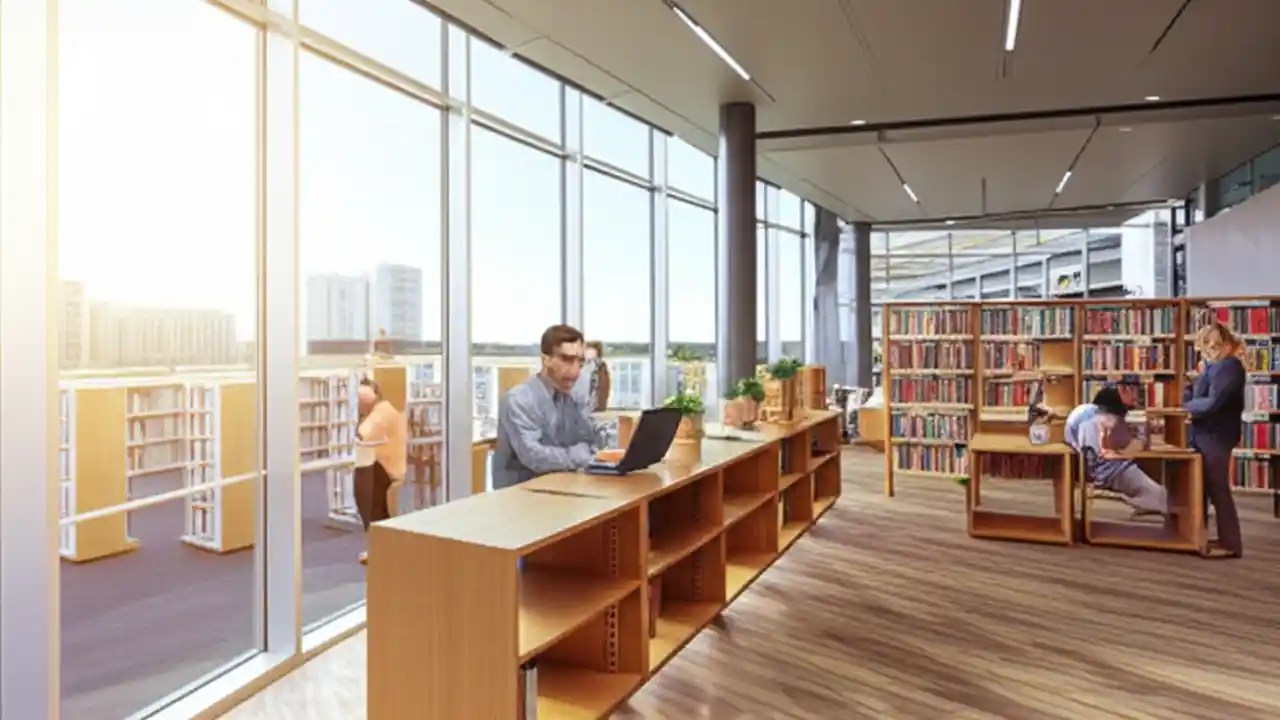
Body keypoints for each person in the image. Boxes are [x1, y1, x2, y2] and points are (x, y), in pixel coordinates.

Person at [491, 324, 598, 489]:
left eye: (580, 362)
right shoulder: (519, 399)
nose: (575, 371)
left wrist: (580, 453)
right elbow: (534, 457)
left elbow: (590, 443)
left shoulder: (574, 396)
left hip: (564, 487)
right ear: (545, 360)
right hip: (521, 494)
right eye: (567, 359)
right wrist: (579, 456)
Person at [1183, 321, 1246, 559]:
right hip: (1204, 434)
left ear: (1227, 344)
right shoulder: (1212, 368)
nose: (1210, 349)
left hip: (1216, 436)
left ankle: (1231, 543)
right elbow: (1194, 397)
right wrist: (1190, 386)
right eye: (1206, 345)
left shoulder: (1229, 367)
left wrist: (1188, 406)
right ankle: (1202, 536)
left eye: (1215, 344)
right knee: (1202, 487)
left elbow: (1212, 403)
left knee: (1218, 488)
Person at [1064, 386, 1168, 518]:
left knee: (1155, 487)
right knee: (1162, 495)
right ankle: (1140, 504)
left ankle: (1139, 502)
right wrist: (1138, 438)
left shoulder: (1085, 419)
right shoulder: (1103, 423)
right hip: (1112, 471)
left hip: (1097, 470)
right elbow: (1122, 447)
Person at [354, 377, 407, 563]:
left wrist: (358, 419)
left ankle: (380, 551)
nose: (360, 402)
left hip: (387, 469)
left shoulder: (381, 412)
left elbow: (362, 434)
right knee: (374, 506)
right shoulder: (385, 410)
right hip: (389, 466)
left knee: (371, 503)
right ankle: (381, 549)